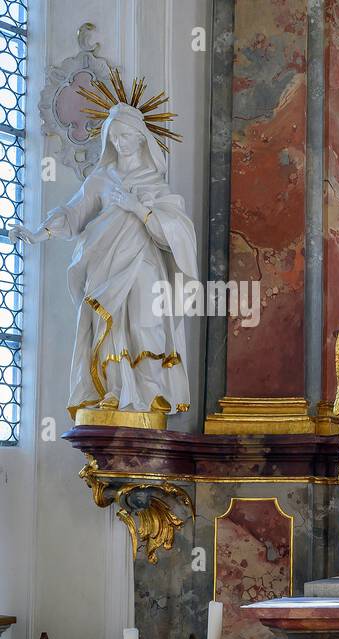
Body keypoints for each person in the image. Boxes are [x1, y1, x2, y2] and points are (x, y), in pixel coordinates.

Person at [9, 100, 198, 420]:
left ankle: (150, 390)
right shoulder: (100, 178)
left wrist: (138, 209)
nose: (118, 143)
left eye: (125, 136)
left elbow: (176, 231)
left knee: (144, 321)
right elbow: (73, 214)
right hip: (103, 264)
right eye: (113, 137)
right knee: (109, 327)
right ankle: (115, 391)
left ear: (140, 138)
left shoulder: (154, 182)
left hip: (142, 261)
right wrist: (38, 234)